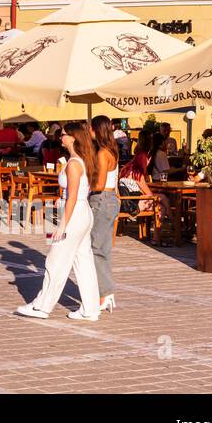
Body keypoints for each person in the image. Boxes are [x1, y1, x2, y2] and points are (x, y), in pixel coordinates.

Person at [16, 122, 100, 321]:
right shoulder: (84, 160)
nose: (60, 137)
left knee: (56, 261)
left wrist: (62, 224)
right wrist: (63, 197)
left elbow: (73, 197)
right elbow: (78, 191)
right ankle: (91, 308)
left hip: (74, 213)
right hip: (83, 211)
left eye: (62, 134)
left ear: (73, 137)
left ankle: (43, 306)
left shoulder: (73, 164)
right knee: (84, 261)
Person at [88, 115, 120, 312]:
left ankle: (103, 294)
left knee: (95, 249)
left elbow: (99, 184)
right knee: (104, 248)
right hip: (110, 200)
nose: (88, 132)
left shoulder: (102, 153)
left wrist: (85, 185)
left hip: (100, 199)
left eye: (90, 129)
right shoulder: (112, 151)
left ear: (96, 130)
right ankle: (106, 293)